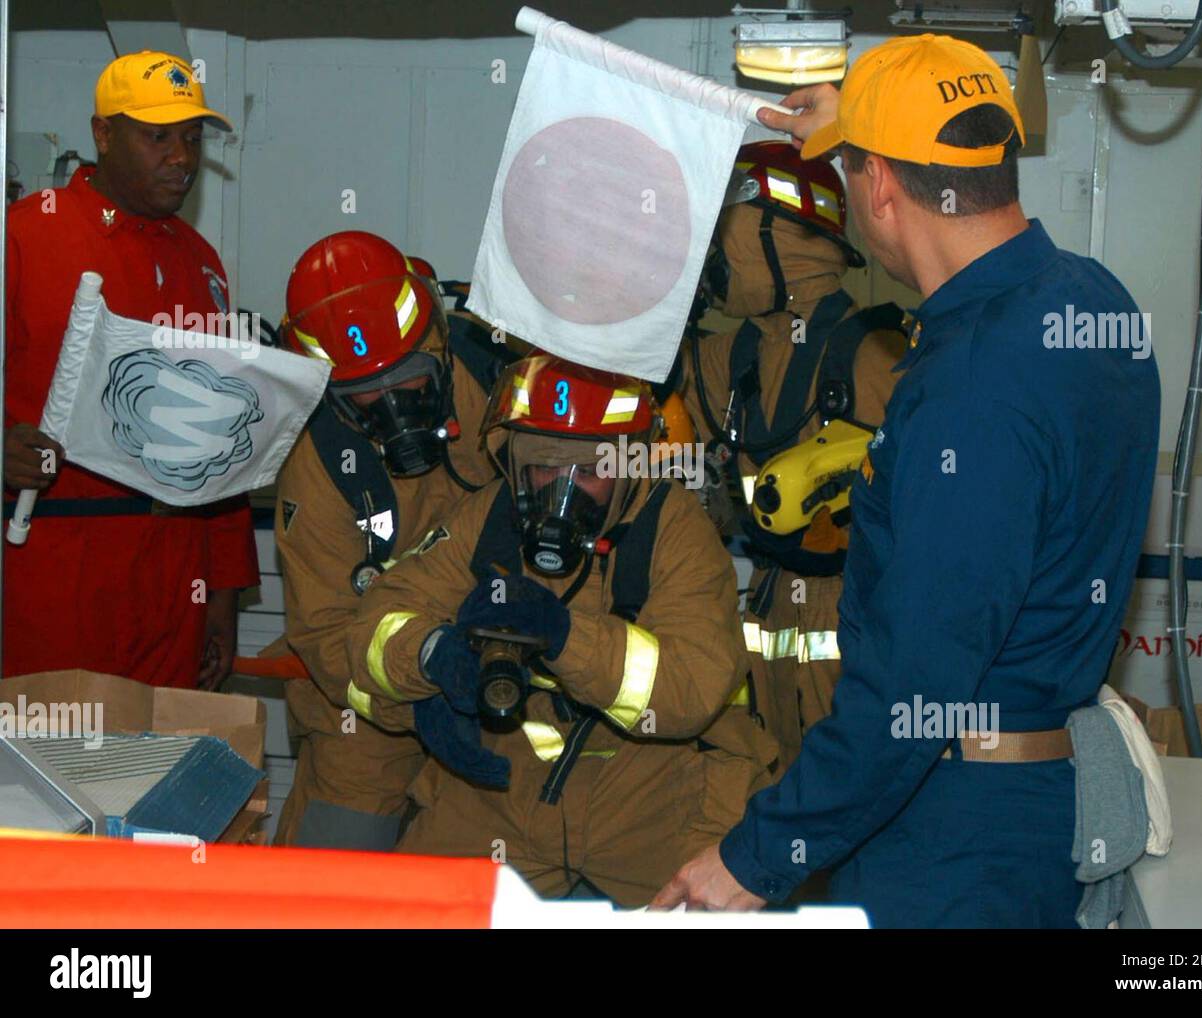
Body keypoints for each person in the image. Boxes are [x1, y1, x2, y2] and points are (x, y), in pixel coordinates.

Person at [655, 33, 1160, 927]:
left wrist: (755, 860)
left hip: (948, 836)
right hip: (1036, 799)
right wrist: (854, 122)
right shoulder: (1094, 304)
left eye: (851, 176)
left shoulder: (969, 385)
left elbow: (913, 695)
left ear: (878, 186)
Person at [343, 352, 777, 905]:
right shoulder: (488, 520)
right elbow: (374, 626)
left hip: (658, 792)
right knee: (408, 914)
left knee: (711, 907)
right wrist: (432, 655)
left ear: (628, 465)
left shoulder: (675, 530)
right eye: (543, 467)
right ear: (515, 463)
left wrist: (566, 637)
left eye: (589, 472)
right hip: (505, 786)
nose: (560, 489)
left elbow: (688, 689)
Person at [3, 51, 257, 688]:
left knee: (158, 773)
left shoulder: (203, 264)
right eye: (158, 137)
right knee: (47, 773)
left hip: (174, 576)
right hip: (52, 564)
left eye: (193, 139)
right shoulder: (26, 238)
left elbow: (220, 434)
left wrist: (222, 592)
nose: (182, 157)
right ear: (103, 134)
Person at [272, 230, 510, 849]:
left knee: (477, 883)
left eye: (409, 383)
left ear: (437, 343)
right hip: (366, 711)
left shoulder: (502, 391)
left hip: (504, 691)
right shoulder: (317, 459)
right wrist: (423, 708)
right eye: (366, 398)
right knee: (324, 891)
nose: (394, 410)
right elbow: (326, 636)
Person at [682, 140, 908, 773]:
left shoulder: (879, 355)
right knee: (777, 789)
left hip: (858, 626)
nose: (713, 259)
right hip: (770, 613)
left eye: (721, 237)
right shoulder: (735, 356)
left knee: (849, 801)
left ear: (775, 236)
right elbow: (650, 414)